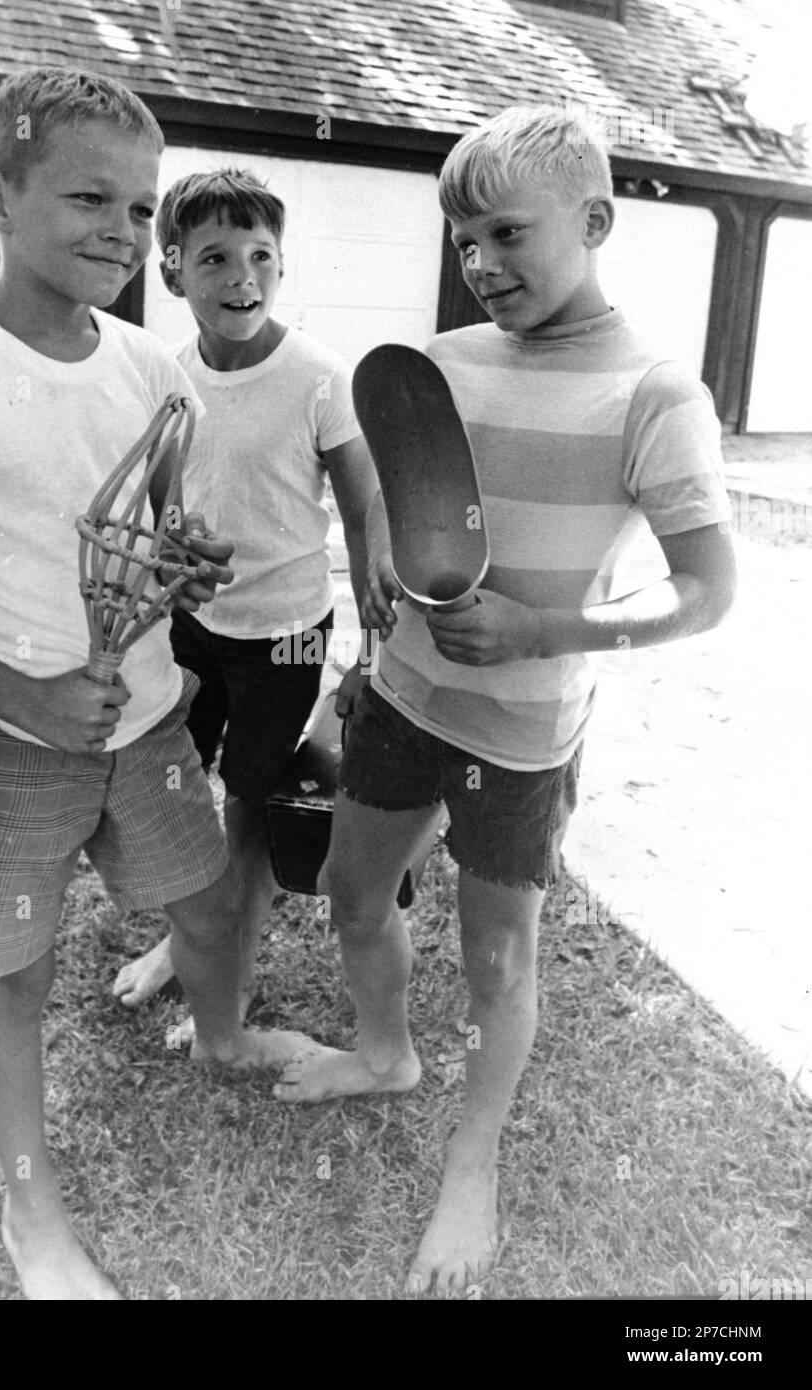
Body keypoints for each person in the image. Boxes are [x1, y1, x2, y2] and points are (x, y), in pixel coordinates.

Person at [0, 67, 319, 1301]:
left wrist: (187, 565)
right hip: (13, 744)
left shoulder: (152, 372)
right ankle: (28, 1208)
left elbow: (159, 535)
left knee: (205, 910)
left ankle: (217, 1040)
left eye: (138, 207)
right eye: (88, 197)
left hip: (150, 721)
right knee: (14, 977)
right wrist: (27, 693)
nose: (121, 228)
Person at [273, 105, 737, 1295]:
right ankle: (385, 1054)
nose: (479, 262)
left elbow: (704, 593)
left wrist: (547, 627)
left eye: (506, 232)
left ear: (593, 222)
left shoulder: (653, 393)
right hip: (398, 696)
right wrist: (371, 542)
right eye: (461, 237)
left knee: (495, 960)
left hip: (523, 737)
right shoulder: (438, 360)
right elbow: (384, 482)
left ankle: (470, 1160)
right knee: (347, 888)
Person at [112, 169, 376, 1022]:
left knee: (251, 797)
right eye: (215, 257)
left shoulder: (319, 377)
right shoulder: (162, 375)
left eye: (261, 255)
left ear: (281, 267)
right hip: (191, 629)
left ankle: (232, 964)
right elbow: (157, 502)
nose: (242, 277)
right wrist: (167, 559)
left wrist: (372, 644)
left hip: (288, 634)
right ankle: (184, 936)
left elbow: (366, 511)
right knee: (181, 783)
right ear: (172, 272)